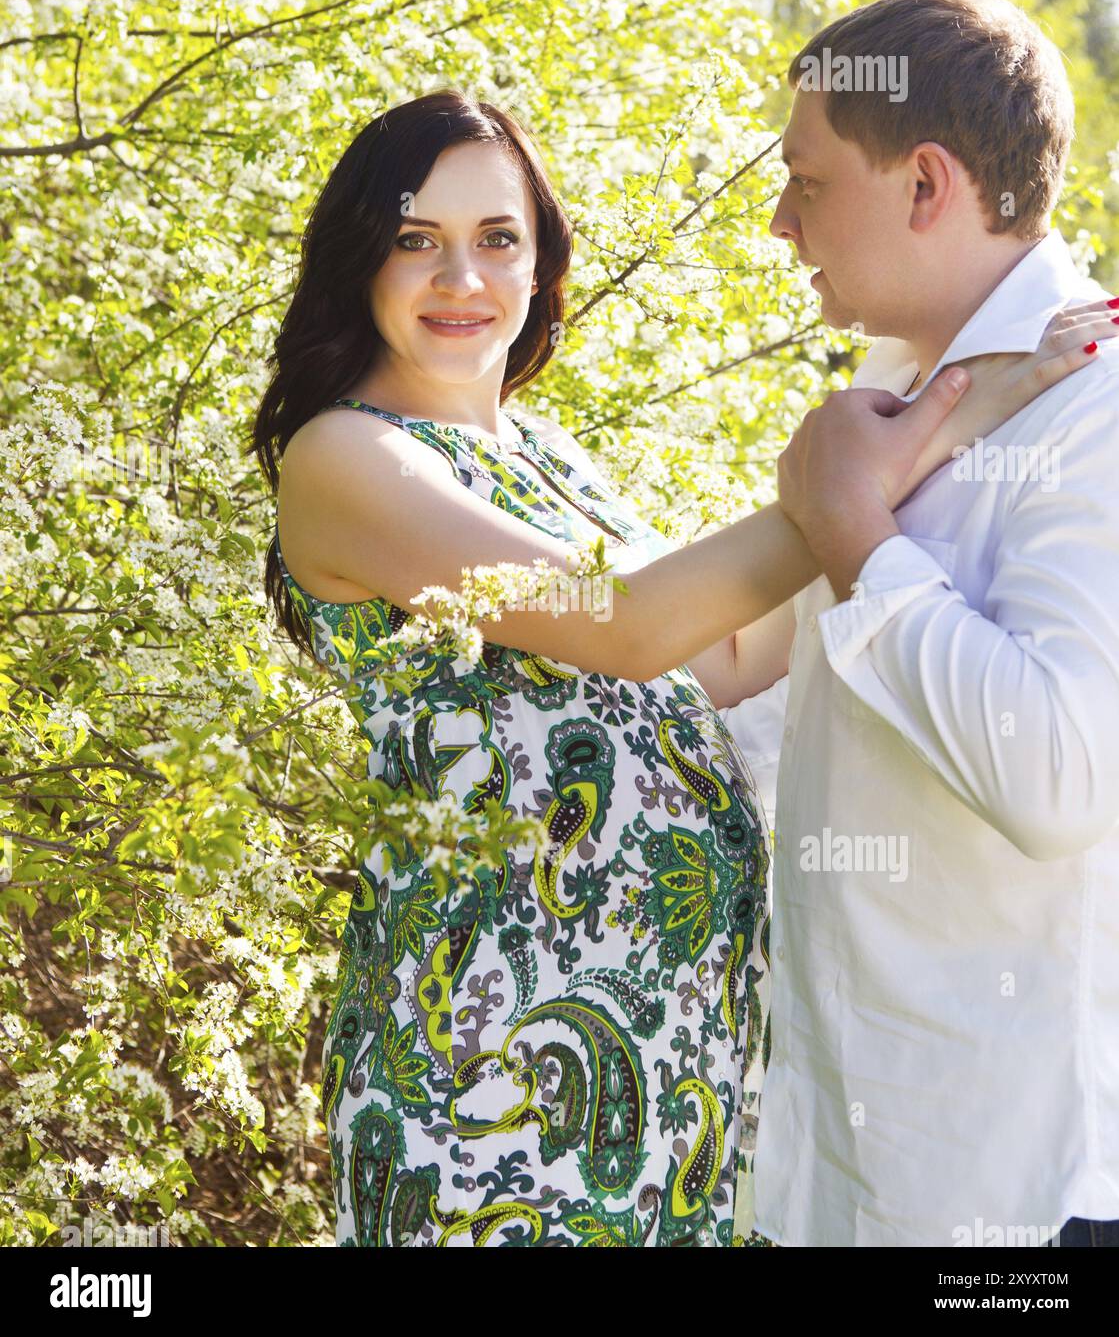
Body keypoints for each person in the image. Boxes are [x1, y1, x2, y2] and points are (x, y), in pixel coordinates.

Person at [250, 90, 1116, 1246]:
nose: (462, 277)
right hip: (496, 1071)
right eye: (418, 240)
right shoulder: (347, 457)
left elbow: (721, 651)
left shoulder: (544, 453)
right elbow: (624, 622)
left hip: (672, 1069)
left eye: (497, 239)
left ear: (540, 259)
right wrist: (938, 427)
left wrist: (919, 462)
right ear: (362, 255)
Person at [718, 0, 1119, 1247]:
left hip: (1007, 1195)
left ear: (927, 184)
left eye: (808, 180)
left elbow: (1063, 774)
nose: (782, 223)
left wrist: (860, 539)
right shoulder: (899, 394)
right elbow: (733, 667)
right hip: (851, 1180)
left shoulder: (1094, 412)